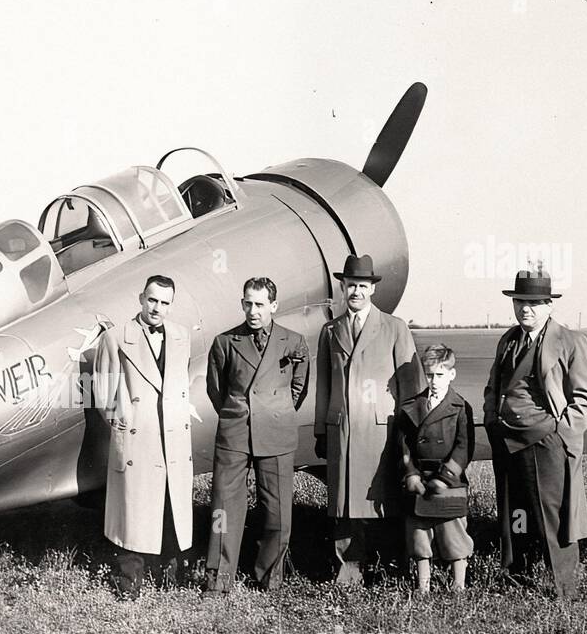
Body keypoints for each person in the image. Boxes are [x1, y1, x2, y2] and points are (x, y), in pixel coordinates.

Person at [483, 269, 587, 599]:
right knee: (514, 513)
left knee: (554, 514)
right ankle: (516, 578)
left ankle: (565, 588)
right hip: (506, 440)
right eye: (520, 301)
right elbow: (494, 386)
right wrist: (491, 418)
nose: (526, 309)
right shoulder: (508, 340)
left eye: (534, 303)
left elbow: (586, 399)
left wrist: (560, 433)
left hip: (547, 442)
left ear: (549, 305)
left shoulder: (572, 341)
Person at [314, 254, 424, 584]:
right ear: (342, 288)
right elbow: (323, 384)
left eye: (362, 286)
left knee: (383, 500)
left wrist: (411, 432)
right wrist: (322, 428)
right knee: (344, 504)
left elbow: (412, 384)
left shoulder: (394, 328)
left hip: (382, 432)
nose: (356, 292)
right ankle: (348, 573)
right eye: (350, 286)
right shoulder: (330, 330)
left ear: (372, 289)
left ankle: (390, 568)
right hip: (343, 431)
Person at [203, 276, 310, 593]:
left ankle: (270, 578)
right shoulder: (225, 342)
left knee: (278, 513)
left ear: (274, 306)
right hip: (235, 432)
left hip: (275, 431)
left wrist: (272, 411)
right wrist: (240, 411)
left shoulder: (293, 342)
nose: (253, 310)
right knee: (223, 509)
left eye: (260, 304)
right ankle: (219, 580)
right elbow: (216, 389)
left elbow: (298, 388)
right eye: (247, 303)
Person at [92, 275, 194, 599]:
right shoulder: (115, 338)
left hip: (172, 437)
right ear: (140, 298)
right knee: (133, 510)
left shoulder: (181, 336)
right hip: (139, 437)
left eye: (164, 303)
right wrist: (125, 423)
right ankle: (129, 580)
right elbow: (103, 394)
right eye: (152, 300)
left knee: (168, 505)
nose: (157, 308)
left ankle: (170, 575)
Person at [397, 344, 474, 592]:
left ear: (452, 374)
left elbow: (464, 447)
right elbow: (404, 444)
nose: (434, 380)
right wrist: (411, 474)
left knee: (454, 535)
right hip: (419, 480)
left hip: (449, 483)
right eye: (430, 375)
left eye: (440, 375)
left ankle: (458, 585)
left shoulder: (460, 407)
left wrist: (445, 477)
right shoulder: (411, 407)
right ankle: (423, 585)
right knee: (419, 535)